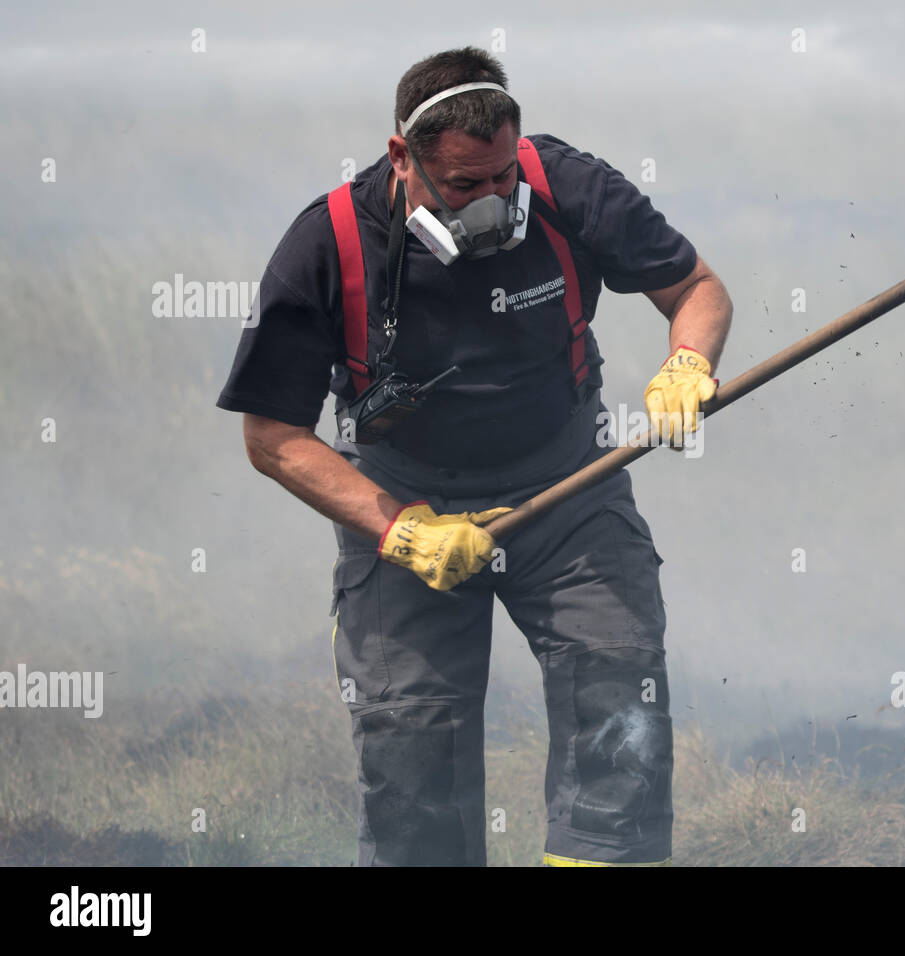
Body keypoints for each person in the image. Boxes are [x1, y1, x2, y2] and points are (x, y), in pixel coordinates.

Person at [215, 47, 733, 866]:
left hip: (569, 486)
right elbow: (271, 439)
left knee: (617, 685)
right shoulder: (329, 243)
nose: (491, 203)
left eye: (500, 179)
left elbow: (696, 288)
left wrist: (688, 361)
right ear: (402, 158)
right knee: (412, 742)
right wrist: (404, 533)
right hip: (403, 498)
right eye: (462, 185)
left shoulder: (567, 186)